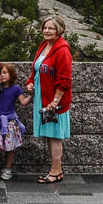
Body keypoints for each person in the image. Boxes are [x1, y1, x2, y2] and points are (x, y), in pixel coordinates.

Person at [28, 16, 73, 183]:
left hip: (54, 101)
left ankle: (54, 172)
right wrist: (30, 82)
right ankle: (58, 170)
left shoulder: (62, 50)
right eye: (45, 27)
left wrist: (56, 100)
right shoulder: (44, 46)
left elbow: (65, 80)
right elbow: (36, 70)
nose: (47, 31)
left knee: (54, 136)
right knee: (49, 135)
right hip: (42, 97)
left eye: (51, 28)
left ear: (59, 30)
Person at [0, 63, 28, 181]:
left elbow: (23, 102)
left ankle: (8, 168)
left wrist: (30, 95)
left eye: (5, 73)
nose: (2, 75)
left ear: (11, 74)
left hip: (10, 122)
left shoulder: (16, 88)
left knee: (10, 147)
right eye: (0, 73)